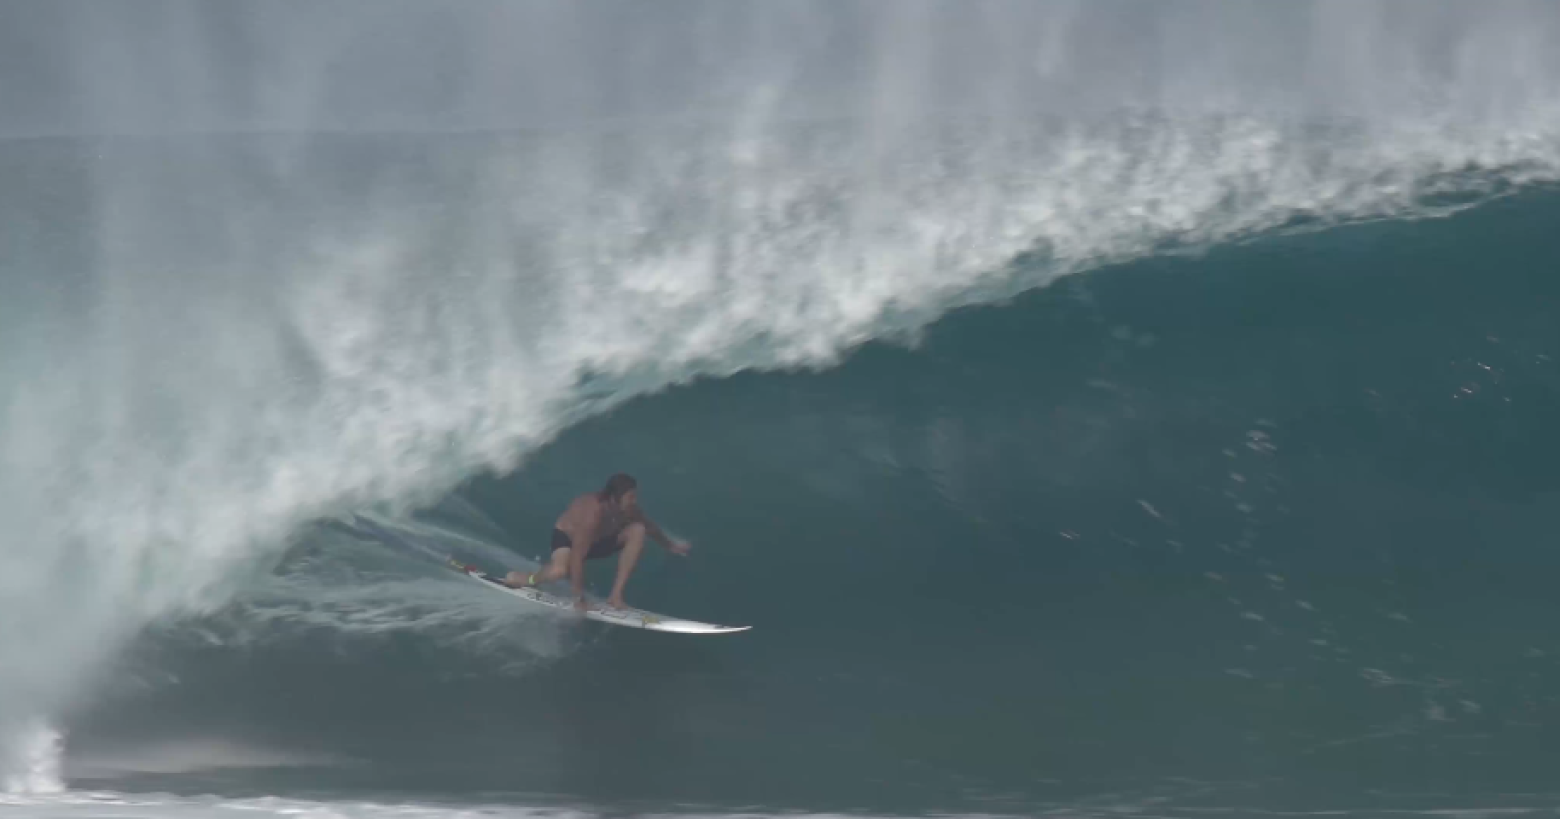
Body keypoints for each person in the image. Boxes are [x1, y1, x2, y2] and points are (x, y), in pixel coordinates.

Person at [504, 473, 690, 611]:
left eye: (635, 496)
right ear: (614, 497)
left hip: (599, 542)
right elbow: (577, 557)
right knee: (559, 571)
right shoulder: (592, 514)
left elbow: (650, 527)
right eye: (630, 497)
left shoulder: (629, 509)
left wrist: (670, 546)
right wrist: (579, 598)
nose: (635, 500)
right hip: (567, 540)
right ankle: (528, 579)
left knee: (638, 530)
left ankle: (616, 596)